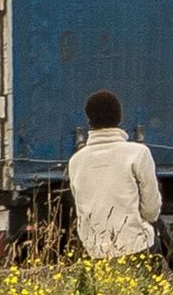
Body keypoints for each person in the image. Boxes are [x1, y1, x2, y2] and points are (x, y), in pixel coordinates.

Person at [65, 89, 163, 259]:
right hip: (136, 247)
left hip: (94, 253)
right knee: (163, 241)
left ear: (89, 120)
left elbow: (81, 209)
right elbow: (151, 211)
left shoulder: (76, 161)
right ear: (119, 118)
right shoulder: (138, 153)